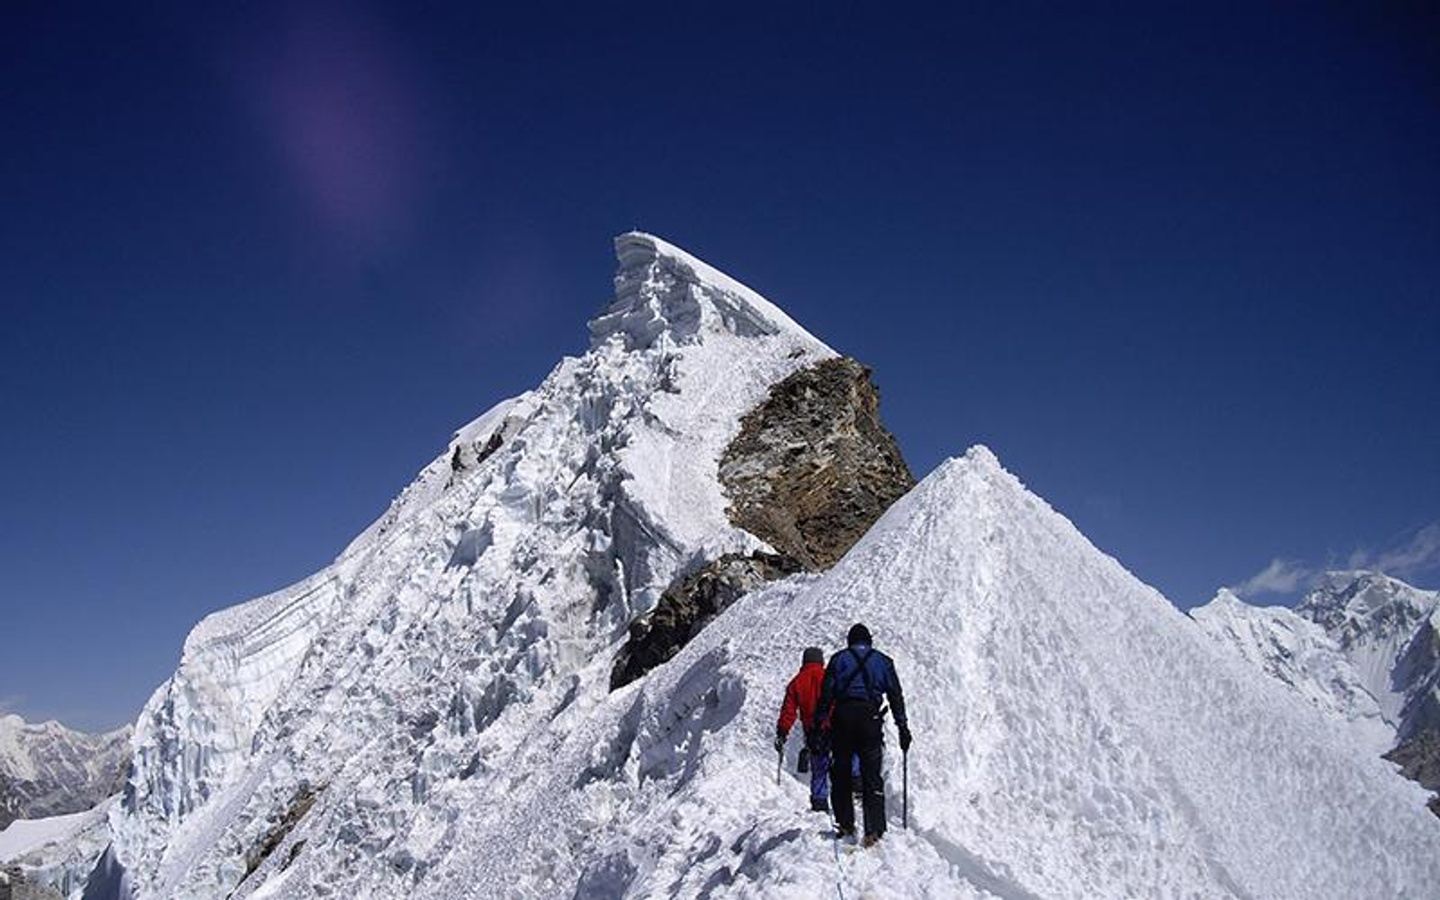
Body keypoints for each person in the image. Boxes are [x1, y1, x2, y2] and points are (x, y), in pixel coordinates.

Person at [817, 623, 911, 847]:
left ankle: (846, 823)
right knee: (871, 774)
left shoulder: (838, 659)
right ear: (869, 640)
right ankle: (874, 829)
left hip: (843, 719)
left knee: (841, 772)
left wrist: (819, 726)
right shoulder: (883, 661)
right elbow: (896, 696)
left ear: (850, 641)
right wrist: (902, 727)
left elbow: (826, 695)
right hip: (870, 719)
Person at [775, 647, 832, 812]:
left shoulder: (796, 682)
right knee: (839, 764)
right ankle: (846, 799)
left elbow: (788, 711)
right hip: (835, 727)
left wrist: (782, 732)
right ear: (821, 661)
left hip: (813, 732)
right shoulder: (829, 676)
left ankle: (819, 803)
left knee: (819, 767)